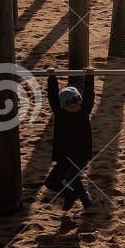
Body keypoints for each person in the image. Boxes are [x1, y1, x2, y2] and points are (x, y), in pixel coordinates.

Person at [44, 69, 95, 211]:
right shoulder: (60, 115)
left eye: (77, 102)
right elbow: (53, 97)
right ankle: (70, 194)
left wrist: (89, 76)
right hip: (64, 156)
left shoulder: (84, 112)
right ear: (62, 105)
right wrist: (52, 77)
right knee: (51, 182)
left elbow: (90, 95)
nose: (74, 105)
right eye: (69, 103)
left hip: (80, 155)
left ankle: (85, 199)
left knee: (71, 176)